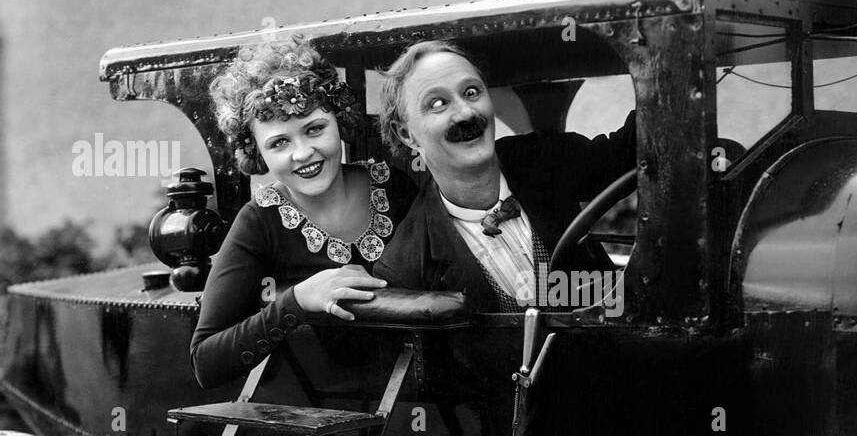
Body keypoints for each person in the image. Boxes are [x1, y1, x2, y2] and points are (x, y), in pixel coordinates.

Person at [190, 35, 418, 388]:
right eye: (279, 142)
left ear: (339, 122)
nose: (302, 153)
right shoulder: (258, 222)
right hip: (330, 418)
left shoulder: (395, 188)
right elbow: (207, 362)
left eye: (314, 129)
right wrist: (297, 301)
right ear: (256, 153)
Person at [373, 40, 635, 311]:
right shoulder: (406, 266)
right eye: (438, 103)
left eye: (472, 92)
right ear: (406, 134)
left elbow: (628, 154)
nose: (465, 113)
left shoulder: (541, 157)